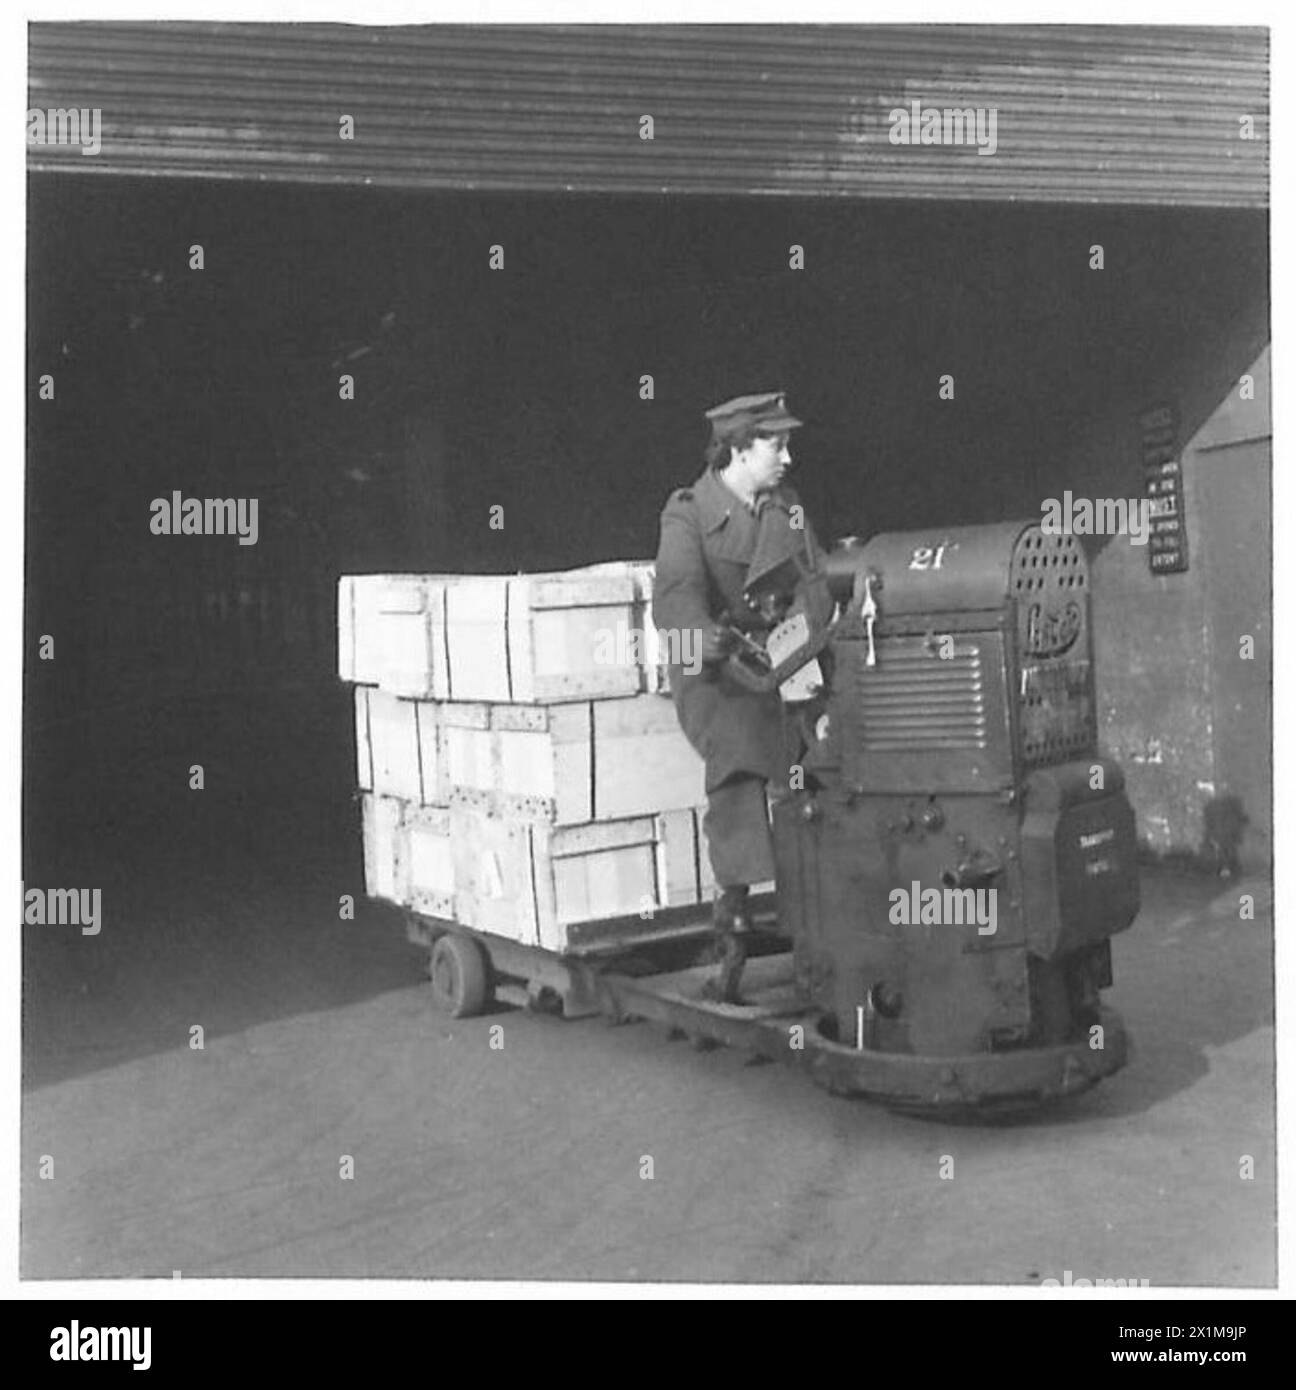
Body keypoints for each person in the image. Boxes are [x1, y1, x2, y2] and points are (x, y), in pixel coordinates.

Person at [653, 392, 828, 1003]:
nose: (788, 454)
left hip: (786, 658)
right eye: (775, 444)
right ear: (737, 449)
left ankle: (819, 918)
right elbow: (673, 604)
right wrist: (714, 643)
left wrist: (808, 631)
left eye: (786, 441)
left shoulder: (789, 506)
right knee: (741, 763)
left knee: (830, 754)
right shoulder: (688, 513)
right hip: (718, 673)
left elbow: (813, 577)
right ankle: (731, 935)